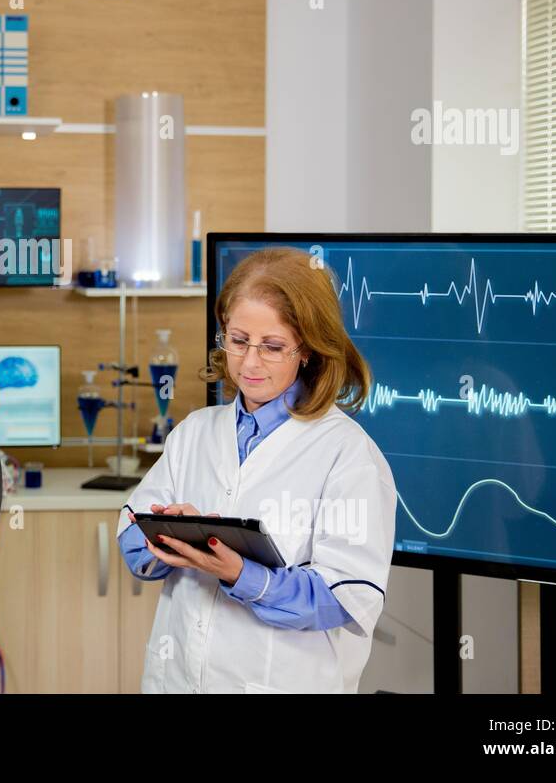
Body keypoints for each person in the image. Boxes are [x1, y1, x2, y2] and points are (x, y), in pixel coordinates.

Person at [117, 247, 396, 693]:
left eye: (272, 347)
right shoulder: (195, 433)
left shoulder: (347, 454)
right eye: (238, 340)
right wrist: (167, 535)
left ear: (307, 349)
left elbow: (346, 596)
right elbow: (131, 536)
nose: (249, 363)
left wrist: (239, 573)